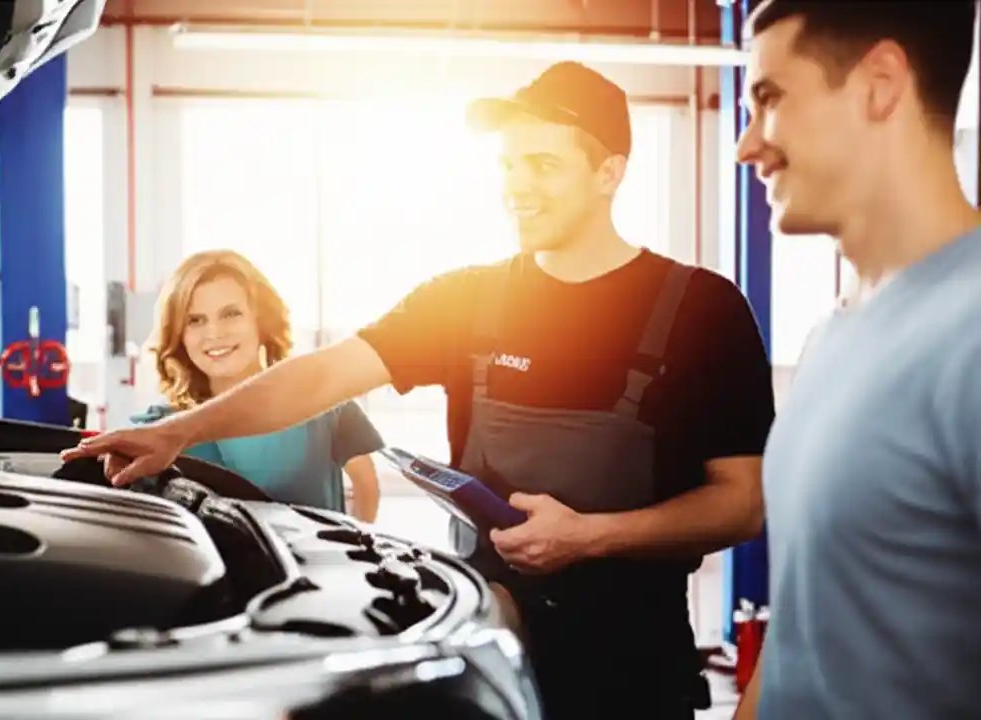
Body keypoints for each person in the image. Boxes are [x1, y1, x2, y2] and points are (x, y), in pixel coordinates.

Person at [64, 62, 775, 718]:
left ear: (609, 172)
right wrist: (178, 430)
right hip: (484, 653)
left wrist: (591, 537)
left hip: (631, 676)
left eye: (544, 164)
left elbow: (742, 503)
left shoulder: (701, 312)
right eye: (507, 164)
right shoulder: (466, 298)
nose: (517, 185)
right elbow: (320, 374)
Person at [729, 2, 981, 719]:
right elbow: (805, 629)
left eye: (769, 99)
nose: (748, 145)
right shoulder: (832, 337)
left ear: (880, 82)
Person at [123, 249, 383, 522]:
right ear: (180, 335)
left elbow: (367, 486)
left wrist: (354, 555)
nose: (214, 333)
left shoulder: (324, 404)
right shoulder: (160, 427)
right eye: (195, 320)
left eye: (231, 314)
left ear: (261, 321)